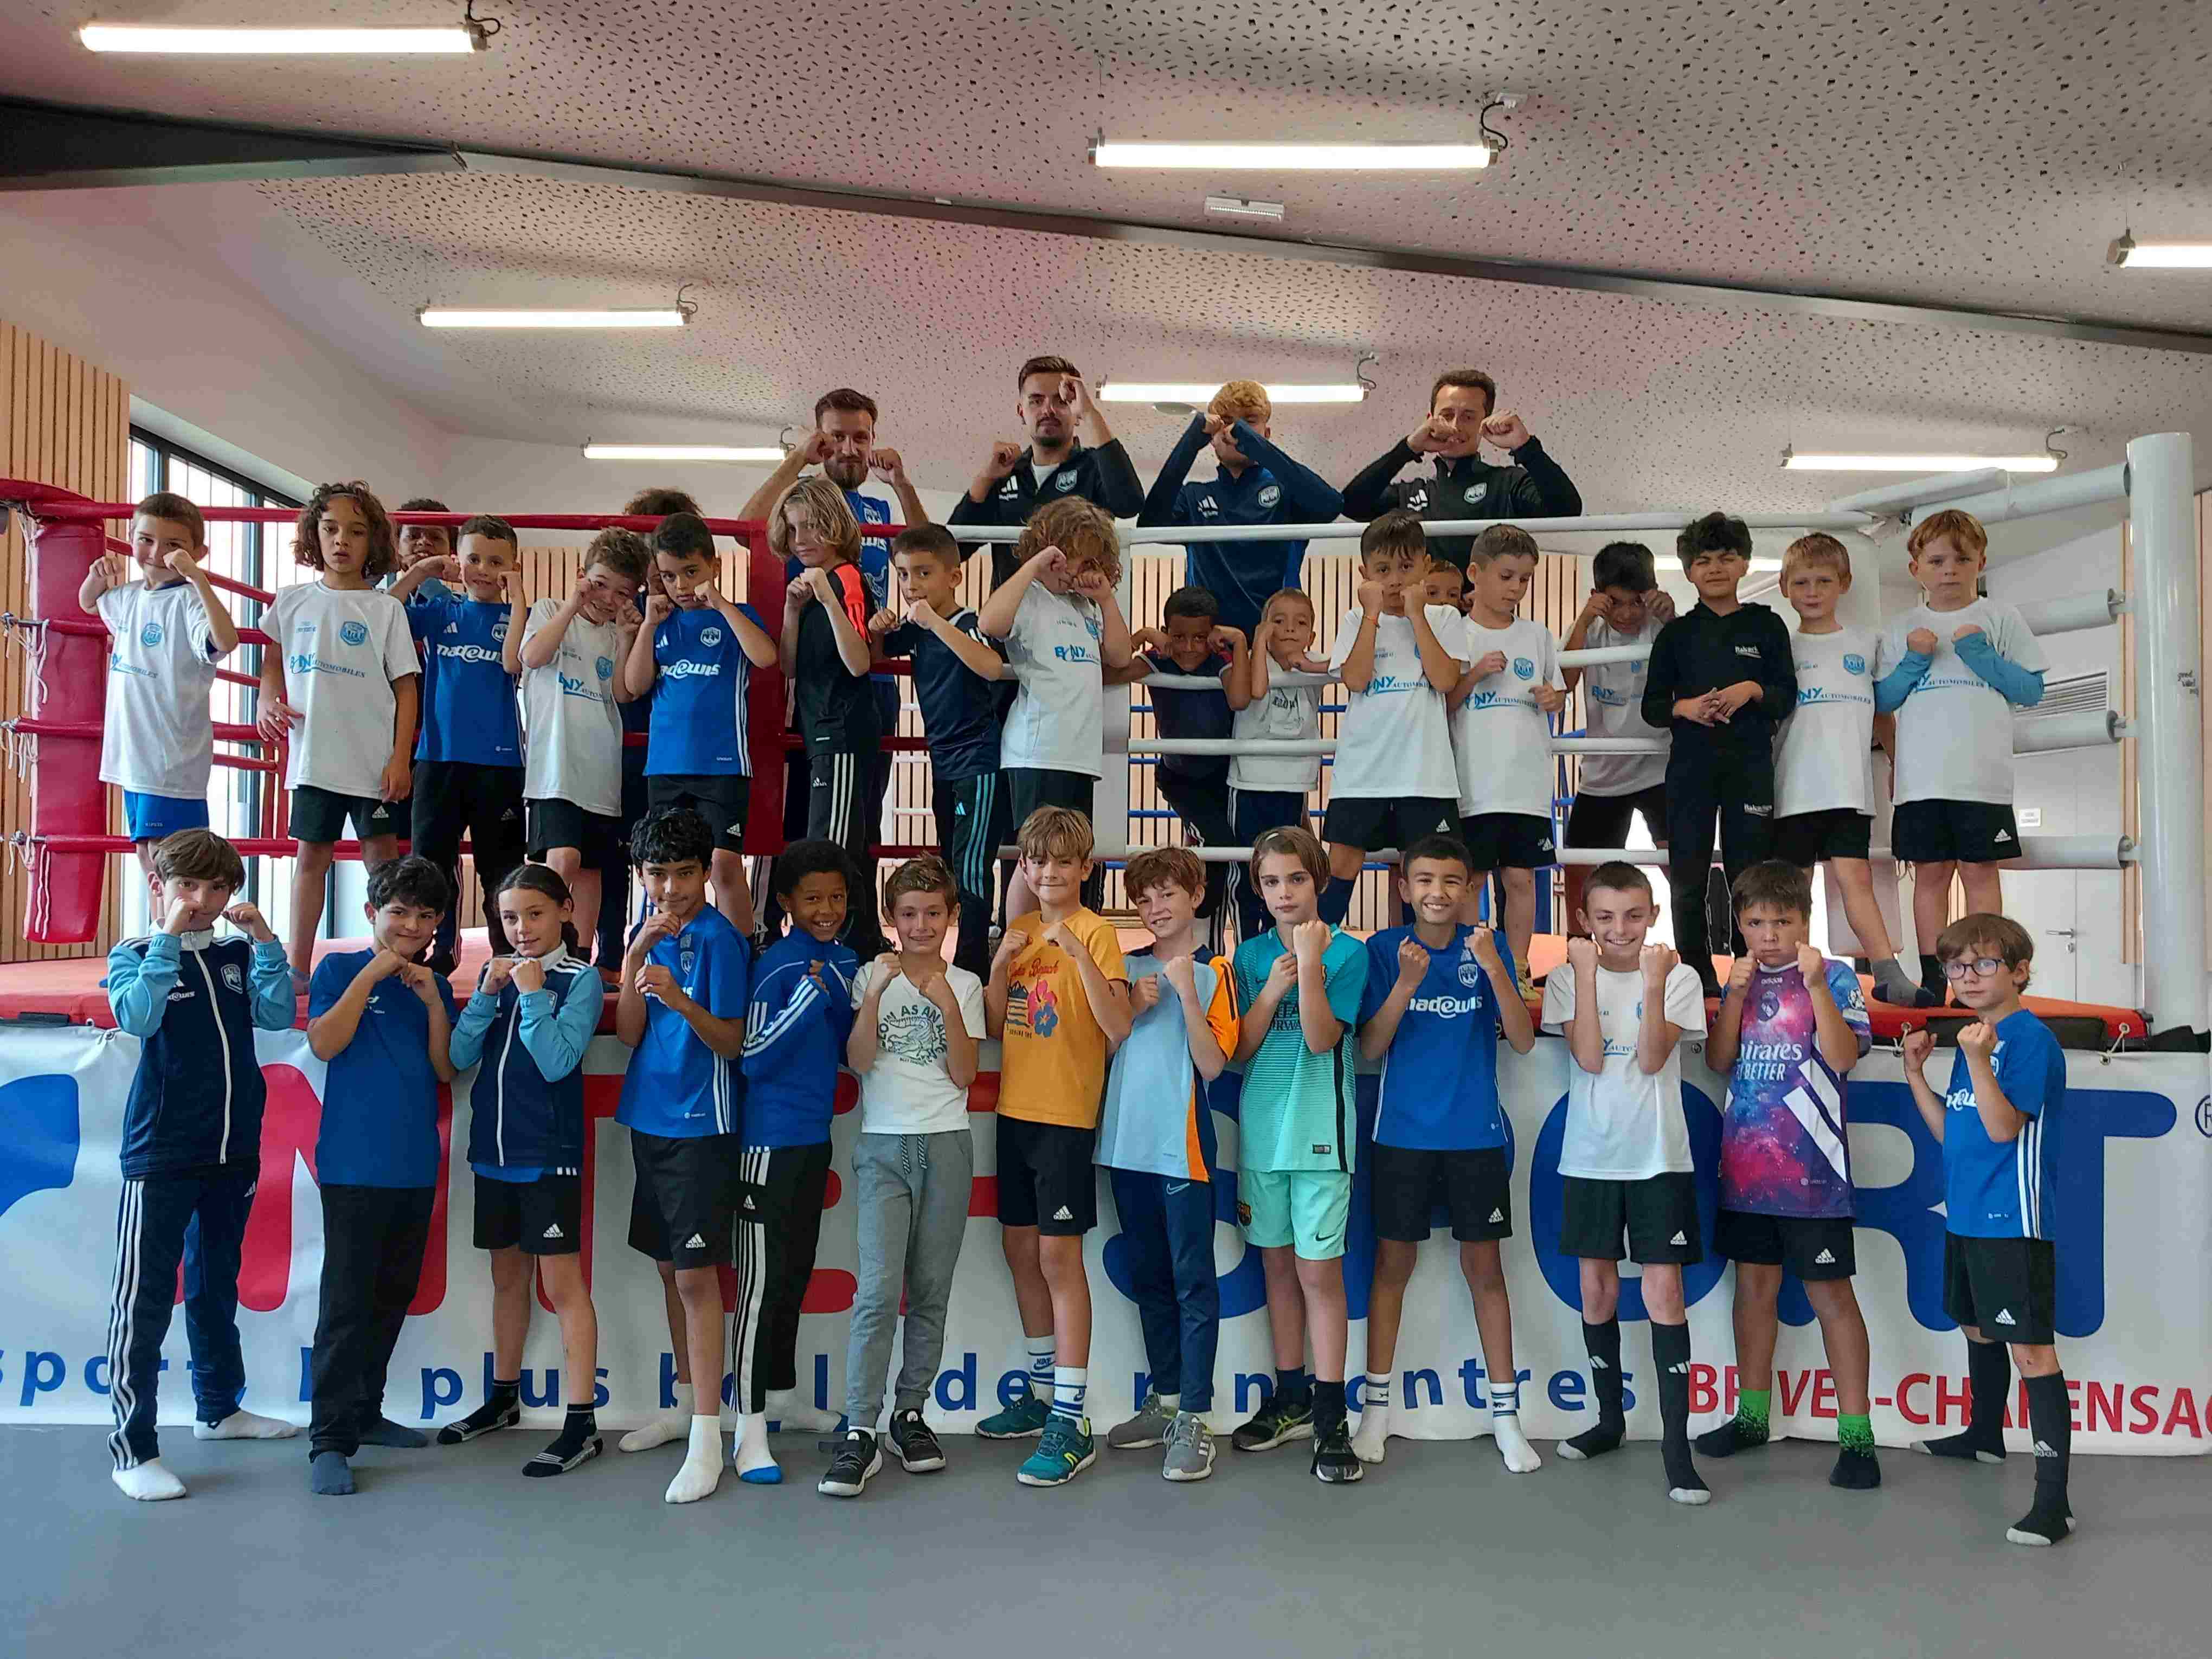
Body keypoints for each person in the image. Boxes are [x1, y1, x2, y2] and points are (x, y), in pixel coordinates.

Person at [103, 828, 299, 1500]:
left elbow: (276, 1013)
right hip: (162, 1152)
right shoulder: (132, 954)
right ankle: (132, 1450)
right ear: (159, 885)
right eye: (190, 886)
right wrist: (166, 939)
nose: (205, 901)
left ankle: (218, 1408)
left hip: (233, 1149)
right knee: (146, 1299)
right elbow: (136, 1016)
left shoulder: (237, 954)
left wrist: (268, 941)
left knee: (217, 1285)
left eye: (218, 888)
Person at [1352, 834, 1539, 1472]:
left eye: (1451, 881)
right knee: (1391, 1268)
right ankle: (1374, 1414)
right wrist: (1405, 984)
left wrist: (1494, 968)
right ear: (1404, 888)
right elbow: (1369, 1049)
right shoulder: (1383, 950)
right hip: (1401, 1137)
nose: (1437, 892)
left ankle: (1507, 1419)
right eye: (1424, 880)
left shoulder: (1488, 948)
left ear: (1469, 889)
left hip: (1475, 1138)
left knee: (1486, 1271)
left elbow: (1521, 1041)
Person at [1698, 860, 1880, 1490]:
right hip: (1747, 1169)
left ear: (1805, 919)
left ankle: (1857, 1436)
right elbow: (1721, 1060)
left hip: (1813, 1172)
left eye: (1783, 921)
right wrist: (1737, 995)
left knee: (1833, 1298)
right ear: (1740, 925)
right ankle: (1752, 1417)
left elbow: (1843, 1057)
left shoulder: (1833, 976)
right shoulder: (1740, 978)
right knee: (1754, 1293)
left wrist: (1819, 988)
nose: (1769, 933)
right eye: (1755, 922)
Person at [1540, 860, 1712, 1505]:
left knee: (1666, 1292)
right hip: (1590, 1157)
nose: (1621, 929)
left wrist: (1656, 979)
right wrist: (1584, 974)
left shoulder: (1679, 976)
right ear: (1584, 922)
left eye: (1634, 916)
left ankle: (1676, 1448)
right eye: (1606, 917)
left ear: (1653, 918)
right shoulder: (1566, 977)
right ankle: (1609, 1421)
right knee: (1596, 1289)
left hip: (1659, 1157)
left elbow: (1648, 1057)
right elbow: (1587, 1056)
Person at [1900, 915, 2074, 1546]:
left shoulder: (2028, 1041)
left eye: (1983, 964)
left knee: (2032, 1352)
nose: (1966, 977)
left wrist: (1977, 1058)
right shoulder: (1974, 1039)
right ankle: (1983, 1435)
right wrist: (1917, 1075)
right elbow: (1954, 1131)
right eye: (1954, 966)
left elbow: (2005, 1129)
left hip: (2013, 1220)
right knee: (1975, 1327)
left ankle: (2054, 1505)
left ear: (2019, 970)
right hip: (1967, 1213)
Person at [822, 856, 987, 1499]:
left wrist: (945, 1000)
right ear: (890, 919)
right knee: (876, 1289)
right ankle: (859, 1426)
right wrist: (871, 998)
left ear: (951, 919)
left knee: (930, 1289)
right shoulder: (871, 974)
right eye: (909, 914)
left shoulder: (966, 983)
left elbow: (966, 1075)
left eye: (934, 914)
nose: (921, 926)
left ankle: (909, 1413)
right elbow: (859, 1061)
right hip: (884, 1145)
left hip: (946, 1143)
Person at [976, 806, 1132, 1488]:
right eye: (1036, 862)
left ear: (1085, 870)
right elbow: (992, 1023)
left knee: (1057, 1257)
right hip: (1016, 1112)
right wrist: (1000, 968)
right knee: (1017, 1249)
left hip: (1068, 1115)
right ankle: (1042, 1397)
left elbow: (1119, 1026)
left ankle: (1073, 1417)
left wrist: (1076, 955)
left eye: (1062, 863)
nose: (1047, 873)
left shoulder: (1098, 934)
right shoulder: (1017, 931)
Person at [436, 865, 608, 1478]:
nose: (522, 928)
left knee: (563, 1288)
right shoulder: (497, 977)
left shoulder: (578, 980)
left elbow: (559, 1063)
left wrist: (532, 993)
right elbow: (457, 1057)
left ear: (565, 910)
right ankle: (504, 1396)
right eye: (510, 918)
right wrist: (486, 994)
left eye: (535, 914)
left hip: (547, 1158)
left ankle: (582, 1421)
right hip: (493, 1156)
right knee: (508, 1280)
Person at [301, 855, 459, 1496]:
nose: (411, 927)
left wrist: (431, 1001)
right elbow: (322, 1044)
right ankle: (329, 1441)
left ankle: (366, 1412)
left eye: (424, 917)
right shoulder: (340, 968)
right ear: (372, 914)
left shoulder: (434, 985)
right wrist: (370, 974)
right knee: (345, 1304)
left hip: (414, 1164)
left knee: (391, 1295)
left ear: (439, 924)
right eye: (399, 914)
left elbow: (446, 1070)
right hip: (351, 1165)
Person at [607, 808, 750, 1504]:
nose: (670, 887)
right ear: (640, 876)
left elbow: (731, 1042)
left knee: (697, 1280)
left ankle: (707, 1439)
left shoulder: (722, 940)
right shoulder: (646, 935)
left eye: (684, 873)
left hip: (703, 1125)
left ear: (706, 874)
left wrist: (681, 998)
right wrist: (635, 962)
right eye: (657, 873)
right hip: (649, 1118)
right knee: (671, 1271)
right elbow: (631, 1033)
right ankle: (687, 1407)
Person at [1230, 825, 1370, 1484]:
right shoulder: (1250, 956)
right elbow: (1238, 1050)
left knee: (1320, 1276)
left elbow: (1320, 1039)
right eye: (1270, 882)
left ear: (1318, 881)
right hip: (1263, 1136)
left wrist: (1309, 968)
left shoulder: (1347, 953)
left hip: (1320, 1138)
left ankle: (1330, 1414)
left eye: (1296, 879)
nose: (1283, 893)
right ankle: (1289, 1397)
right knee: (1278, 1271)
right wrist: (1270, 989)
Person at [738, 389, 928, 862]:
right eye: (836, 436)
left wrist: (902, 484)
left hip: (870, 673)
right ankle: (794, 922)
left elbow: (930, 549)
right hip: (818, 677)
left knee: (862, 809)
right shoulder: (803, 504)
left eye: (859, 437)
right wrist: (796, 463)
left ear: (873, 440)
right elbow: (747, 529)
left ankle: (857, 928)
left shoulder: (879, 511)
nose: (848, 448)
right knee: (808, 810)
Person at [1097, 848, 1237, 1483]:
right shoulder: (1123, 969)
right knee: (1149, 1277)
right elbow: (1100, 1044)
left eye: (1168, 895)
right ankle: (1167, 1399)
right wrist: (1132, 1005)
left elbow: (1212, 1066)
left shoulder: (1217, 973)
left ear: (1197, 896)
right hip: (1125, 1145)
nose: (1155, 909)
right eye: (1145, 898)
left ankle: (1196, 1418)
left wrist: (1182, 996)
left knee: (1192, 1281)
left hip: (1182, 1150)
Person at [1876, 511, 2048, 1004]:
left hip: (1982, 779)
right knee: (1930, 876)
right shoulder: (1902, 627)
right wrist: (1914, 660)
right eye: (1937, 560)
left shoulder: (2001, 617)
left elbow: (2031, 689)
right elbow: (1883, 701)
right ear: (1916, 569)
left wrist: (1981, 656)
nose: (1949, 569)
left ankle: (1985, 976)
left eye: (1962, 558)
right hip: (1922, 781)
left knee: (1979, 874)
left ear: (1981, 562)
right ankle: (1934, 981)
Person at [734, 840, 862, 1484]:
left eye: (837, 897)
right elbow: (753, 1057)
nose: (827, 909)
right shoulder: (778, 966)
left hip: (814, 1139)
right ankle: (747, 1426)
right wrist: (810, 1002)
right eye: (812, 898)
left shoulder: (842, 960)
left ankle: (780, 1394)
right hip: (768, 1144)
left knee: (794, 1273)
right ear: (785, 903)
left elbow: (849, 1049)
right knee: (760, 1287)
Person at [259, 482, 418, 981]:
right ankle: (297, 967)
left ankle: (391, 962)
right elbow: (273, 662)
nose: (341, 541)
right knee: (311, 859)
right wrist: (266, 699)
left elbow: (407, 690)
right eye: (330, 530)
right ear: (314, 535)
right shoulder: (291, 600)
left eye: (355, 531)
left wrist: (398, 759)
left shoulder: (385, 608)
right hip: (313, 760)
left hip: (372, 762)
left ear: (373, 542)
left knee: (382, 864)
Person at [1771, 533, 1931, 1007]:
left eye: (1823, 580)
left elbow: (1883, 710)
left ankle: (1887, 972)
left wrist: (1899, 761)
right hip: (1793, 786)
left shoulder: (1868, 642)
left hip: (1849, 786)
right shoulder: (1782, 646)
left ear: (1844, 583)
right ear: (1784, 587)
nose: (1813, 591)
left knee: (1857, 880)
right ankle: (1786, 971)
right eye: (1801, 582)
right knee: (1794, 887)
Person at [1641, 512, 1797, 998]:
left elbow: (1784, 696)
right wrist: (1685, 708)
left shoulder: (1767, 626)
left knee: (1748, 873)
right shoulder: (1676, 635)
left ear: (1745, 564)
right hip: (1691, 768)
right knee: (1687, 873)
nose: (1714, 568)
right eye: (1702, 560)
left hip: (1749, 766)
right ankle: (1696, 972)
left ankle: (1752, 968)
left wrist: (1750, 689)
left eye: (1726, 558)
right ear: (1688, 571)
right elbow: (1652, 708)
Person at [976, 497, 1135, 916]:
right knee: (1036, 860)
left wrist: (1105, 599)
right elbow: (989, 623)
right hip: (1038, 751)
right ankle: (1017, 950)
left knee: (1065, 858)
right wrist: (1032, 567)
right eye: (1068, 559)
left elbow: (1119, 656)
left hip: (1078, 755)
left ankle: (1053, 951)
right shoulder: (1029, 596)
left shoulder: (1086, 606)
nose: (1074, 572)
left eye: (1086, 563)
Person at [625, 511, 778, 936]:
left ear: (715, 566)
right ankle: (663, 955)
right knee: (664, 871)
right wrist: (649, 625)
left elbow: (766, 657)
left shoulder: (737, 616)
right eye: (670, 576)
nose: (681, 586)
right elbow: (634, 685)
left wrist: (722, 604)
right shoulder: (660, 623)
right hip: (665, 769)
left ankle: (741, 956)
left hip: (723, 767)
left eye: (691, 572)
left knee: (725, 865)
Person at [871, 523, 1011, 979]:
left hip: (979, 761)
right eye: (905, 576)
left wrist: (934, 623)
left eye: (924, 574)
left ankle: (972, 964)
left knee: (971, 868)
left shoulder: (972, 622)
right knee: (951, 863)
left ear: (954, 577)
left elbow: (992, 667)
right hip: (944, 762)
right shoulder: (915, 626)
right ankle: (956, 958)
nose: (913, 586)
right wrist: (879, 626)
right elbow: (871, 652)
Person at [390, 514, 529, 972]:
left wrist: (521, 593)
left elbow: (520, 665)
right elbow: (380, 614)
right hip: (438, 758)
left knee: (501, 870)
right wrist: (422, 572)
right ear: (458, 560)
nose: (484, 570)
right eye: (474, 559)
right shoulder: (442, 611)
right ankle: (435, 955)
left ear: (513, 565)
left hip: (500, 764)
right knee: (429, 864)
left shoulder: (519, 617)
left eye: (496, 562)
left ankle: (506, 956)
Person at [79, 492, 241, 883]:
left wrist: (197, 578)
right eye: (147, 540)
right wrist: (94, 578)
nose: (157, 553)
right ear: (132, 536)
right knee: (148, 854)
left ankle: (182, 934)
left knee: (176, 860)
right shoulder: (129, 596)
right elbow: (89, 604)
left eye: (174, 545)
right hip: (132, 755)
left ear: (197, 552)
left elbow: (226, 640)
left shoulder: (189, 600)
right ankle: (165, 934)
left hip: (170, 758)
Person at [508, 525, 648, 974]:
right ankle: (535, 954)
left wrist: (628, 635)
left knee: (592, 872)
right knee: (563, 859)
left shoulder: (615, 633)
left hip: (600, 772)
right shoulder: (551, 611)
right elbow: (530, 658)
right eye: (600, 584)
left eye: (622, 592)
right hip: (555, 771)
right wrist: (571, 604)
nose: (607, 599)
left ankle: (577, 961)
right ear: (582, 575)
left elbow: (625, 693)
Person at [1317, 512, 1464, 927]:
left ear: (1426, 566)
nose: (1396, 580)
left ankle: (1422, 964)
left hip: (1425, 775)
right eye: (1384, 570)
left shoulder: (1445, 618)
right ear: (1365, 574)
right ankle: (1316, 959)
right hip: (1363, 772)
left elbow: (1445, 679)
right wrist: (1371, 615)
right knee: (1342, 866)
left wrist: (1418, 615)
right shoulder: (1354, 620)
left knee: (1425, 874)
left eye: (1406, 567)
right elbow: (1356, 679)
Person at [1136, 379, 1345, 639]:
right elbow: (1149, 525)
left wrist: (1256, 446)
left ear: (1267, 434)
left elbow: (1332, 506)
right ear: (1212, 439)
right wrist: (1190, 443)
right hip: (1209, 647)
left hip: (1274, 645)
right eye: (1226, 421)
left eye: (1249, 421)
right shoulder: (1195, 495)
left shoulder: (1288, 490)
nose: (1235, 430)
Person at [773, 477, 886, 956]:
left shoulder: (846, 578)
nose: (802, 541)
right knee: (837, 847)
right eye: (795, 530)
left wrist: (826, 597)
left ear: (837, 528)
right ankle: (855, 948)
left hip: (841, 732)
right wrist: (793, 610)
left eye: (813, 528)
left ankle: (835, 952)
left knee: (830, 854)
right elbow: (788, 666)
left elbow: (859, 661)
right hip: (820, 731)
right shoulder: (812, 584)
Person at [1451, 524, 1565, 994]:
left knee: (1521, 879)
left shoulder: (1537, 635)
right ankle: (1464, 966)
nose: (1516, 588)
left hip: (1526, 784)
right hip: (1474, 782)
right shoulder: (1455, 632)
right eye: (1506, 576)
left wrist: (1553, 699)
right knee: (1471, 879)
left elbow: (1557, 691)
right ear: (1475, 574)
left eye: (1524, 579)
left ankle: (1517, 969)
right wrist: (1476, 673)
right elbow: (1444, 700)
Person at [1340, 368, 1582, 571]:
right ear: (1430, 419)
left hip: (1486, 624)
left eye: (1468, 417)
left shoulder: (1508, 483)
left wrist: (1526, 447)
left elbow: (1568, 509)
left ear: (1485, 421)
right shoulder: (1411, 494)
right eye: (1446, 415)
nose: (1456, 426)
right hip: (1422, 621)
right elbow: (1351, 505)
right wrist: (1407, 448)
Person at [599, 490, 700, 971]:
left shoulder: (697, 608)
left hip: (679, 749)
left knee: (680, 849)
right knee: (620, 845)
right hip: (623, 741)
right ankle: (612, 949)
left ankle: (682, 945)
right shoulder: (625, 605)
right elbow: (627, 687)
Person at [949, 355, 1144, 589]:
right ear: (1021, 411)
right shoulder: (1004, 474)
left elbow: (1129, 504)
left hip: (1077, 615)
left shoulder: (1095, 466)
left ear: (1076, 410)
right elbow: (954, 552)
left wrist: (1091, 413)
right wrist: (985, 478)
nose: (1048, 410)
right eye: (1036, 401)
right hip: (1010, 621)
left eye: (1062, 401)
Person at [1560, 542, 1673, 931]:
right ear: (1598, 597)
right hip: (1604, 771)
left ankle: (1709, 953)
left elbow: (1696, 674)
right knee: (1579, 868)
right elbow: (1563, 683)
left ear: (1653, 593)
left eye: (1636, 603)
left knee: (1683, 865)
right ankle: (1578, 953)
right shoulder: (1589, 631)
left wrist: (1674, 622)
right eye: (1616, 603)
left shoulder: (1664, 628)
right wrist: (1581, 621)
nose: (1627, 614)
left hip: (1659, 765)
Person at [1124, 586, 1247, 925]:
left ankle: (1207, 913)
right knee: (1219, 842)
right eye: (1178, 637)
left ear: (1213, 636)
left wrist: (1239, 642)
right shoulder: (1156, 660)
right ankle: (1201, 907)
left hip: (1225, 775)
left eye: (1199, 638)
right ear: (1166, 635)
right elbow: (1109, 671)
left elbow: (1239, 699)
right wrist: (1142, 635)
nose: (1189, 648)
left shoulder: (1219, 662)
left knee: (1227, 845)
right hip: (1180, 778)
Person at [1227, 587, 1328, 941]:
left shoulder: (1315, 664)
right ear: (1264, 627)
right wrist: (1259, 643)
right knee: (1248, 870)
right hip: (1251, 784)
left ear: (1311, 635)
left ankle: (1284, 942)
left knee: (1288, 870)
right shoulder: (1256, 661)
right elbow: (1255, 690)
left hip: (1293, 784)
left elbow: (1349, 667)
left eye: (1300, 623)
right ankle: (1246, 944)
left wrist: (1309, 664)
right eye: (1278, 621)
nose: (1289, 629)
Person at [391, 497, 458, 605]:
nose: (424, 542)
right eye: (413, 536)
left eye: (436, 537)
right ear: (397, 546)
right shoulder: (377, 594)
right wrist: (417, 573)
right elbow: (382, 615)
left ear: (451, 550)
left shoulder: (462, 602)